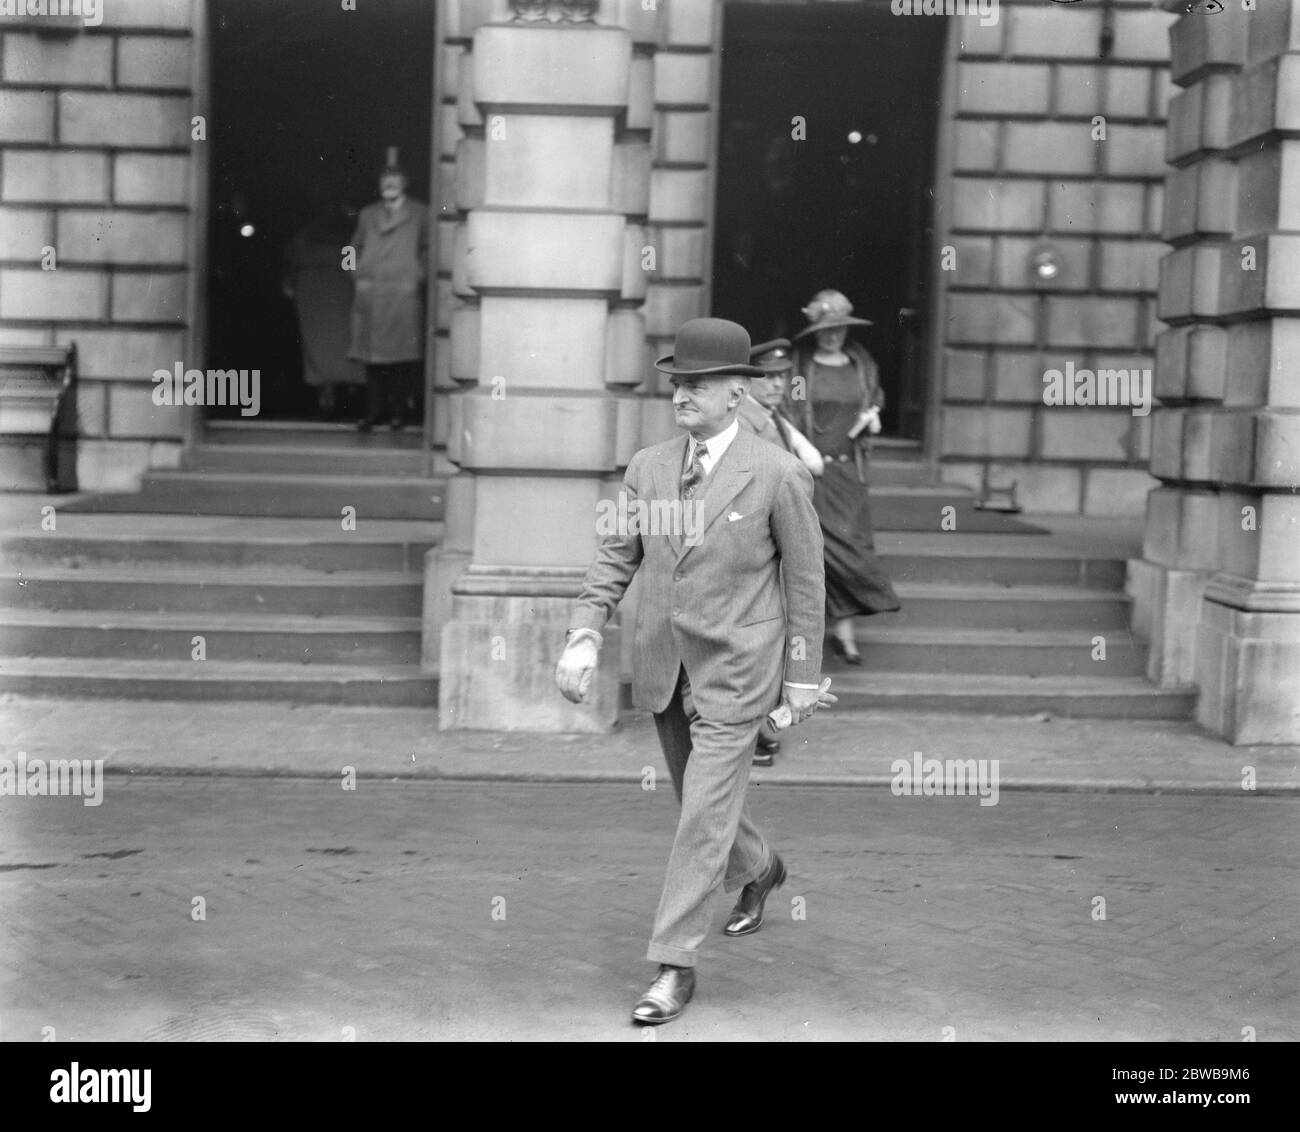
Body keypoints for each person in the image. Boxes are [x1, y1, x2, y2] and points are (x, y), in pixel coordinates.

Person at [555, 318, 835, 1026]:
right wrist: (585, 634)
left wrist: (801, 679)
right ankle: (761, 868)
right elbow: (617, 556)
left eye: (699, 383)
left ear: (738, 393)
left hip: (738, 671)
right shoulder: (649, 467)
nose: (682, 394)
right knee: (698, 805)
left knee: (699, 821)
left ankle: (672, 965)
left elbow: (805, 583)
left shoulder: (777, 472)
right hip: (662, 662)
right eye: (678, 382)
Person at [787, 289, 901, 665]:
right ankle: (819, 635)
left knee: (853, 548)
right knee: (819, 551)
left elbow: (874, 396)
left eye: (839, 329)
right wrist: (802, 450)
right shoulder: (801, 369)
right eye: (826, 328)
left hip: (850, 471)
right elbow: (786, 413)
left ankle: (846, 634)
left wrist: (873, 415)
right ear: (815, 330)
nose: (833, 335)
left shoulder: (861, 363)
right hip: (813, 472)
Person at [736, 339, 825, 767]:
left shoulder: (771, 418)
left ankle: (761, 729)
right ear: (748, 380)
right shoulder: (745, 422)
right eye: (768, 377)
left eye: (782, 377)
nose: (777, 385)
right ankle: (757, 734)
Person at [347, 155, 429, 432]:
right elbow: (351, 248)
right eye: (385, 180)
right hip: (372, 293)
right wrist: (356, 275)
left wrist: (418, 276)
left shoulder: (421, 213)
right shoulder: (367, 214)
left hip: (402, 295)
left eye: (395, 180)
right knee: (373, 361)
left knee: (400, 361)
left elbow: (430, 250)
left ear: (405, 184)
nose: (389, 185)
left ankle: (398, 414)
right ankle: (373, 413)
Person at [282, 197, 365, 418]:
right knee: (342, 338)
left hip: (317, 290)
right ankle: (346, 386)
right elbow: (352, 266)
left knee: (323, 339)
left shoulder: (305, 236)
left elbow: (292, 264)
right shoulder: (343, 236)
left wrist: (290, 283)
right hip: (336, 289)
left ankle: (327, 387)